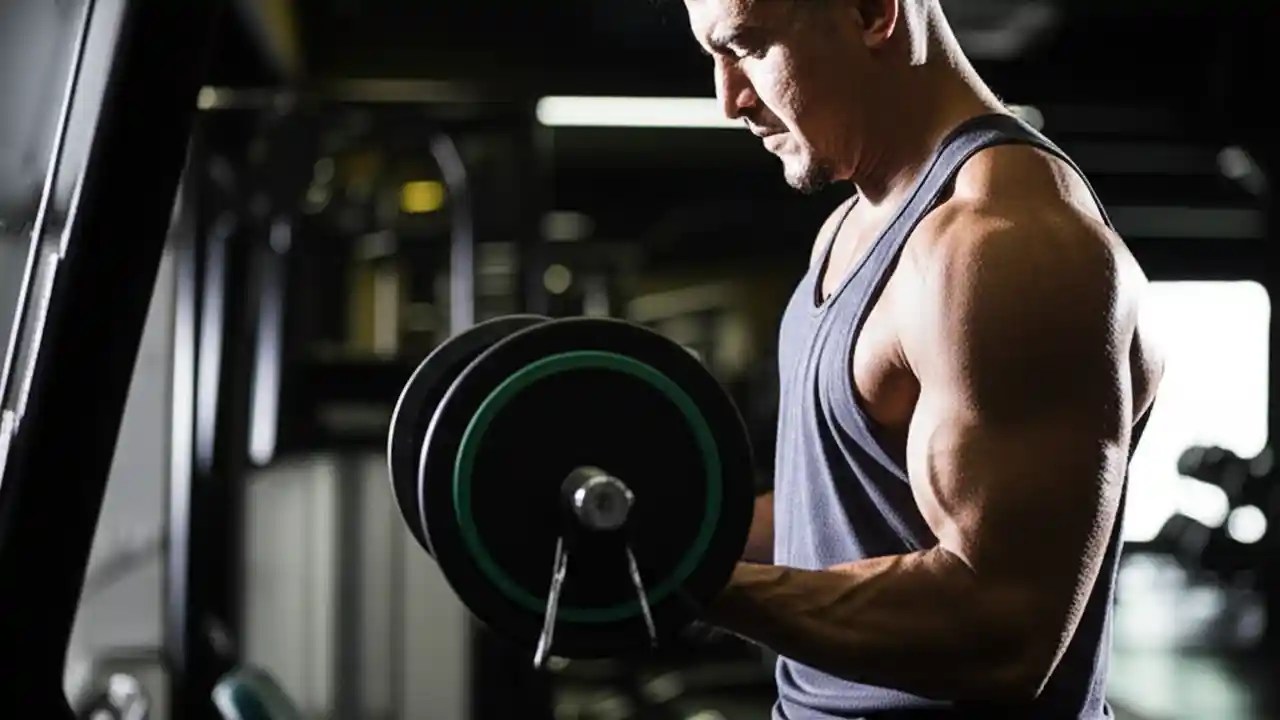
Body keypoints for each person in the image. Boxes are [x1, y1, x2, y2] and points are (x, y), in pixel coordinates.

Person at [678, 0, 1166, 717]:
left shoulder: (1006, 246)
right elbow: (834, 515)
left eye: (747, 47)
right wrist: (654, 531)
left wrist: (687, 584)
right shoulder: (849, 228)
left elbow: (1000, 629)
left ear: (873, 13)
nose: (730, 100)